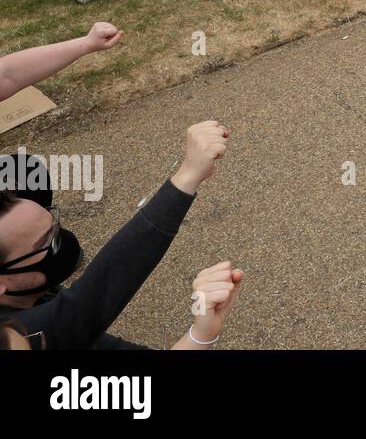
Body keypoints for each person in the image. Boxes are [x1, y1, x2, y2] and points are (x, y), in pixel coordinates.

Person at [1, 118, 237, 350]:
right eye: (47, 242)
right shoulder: (14, 338)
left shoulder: (34, 300)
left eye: (53, 218)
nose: (63, 236)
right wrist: (187, 177)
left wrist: (201, 335)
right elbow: (86, 305)